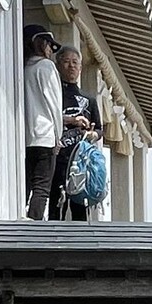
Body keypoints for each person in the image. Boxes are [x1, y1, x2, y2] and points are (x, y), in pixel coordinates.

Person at [48, 45, 104, 222]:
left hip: (81, 160)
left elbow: (100, 129)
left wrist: (93, 135)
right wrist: (72, 120)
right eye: (66, 62)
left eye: (75, 62)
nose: (71, 66)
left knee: (80, 206)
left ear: (80, 67)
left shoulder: (89, 100)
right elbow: (48, 115)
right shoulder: (54, 94)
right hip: (57, 156)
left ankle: (81, 245)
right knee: (57, 204)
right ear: (57, 64)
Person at [22, 24, 63, 221]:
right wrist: (58, 135)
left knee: (27, 183)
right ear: (42, 44)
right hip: (45, 133)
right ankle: (35, 223)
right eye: (49, 45)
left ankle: (22, 217)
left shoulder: (23, 68)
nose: (50, 50)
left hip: (26, 134)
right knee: (41, 187)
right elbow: (54, 103)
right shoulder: (46, 67)